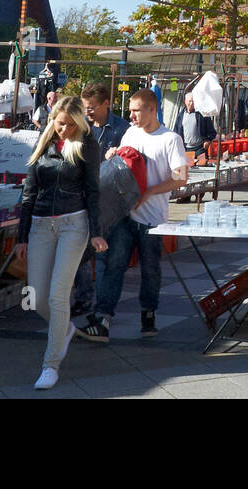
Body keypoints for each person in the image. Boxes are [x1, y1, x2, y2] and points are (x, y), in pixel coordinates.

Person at [78, 89, 187, 342]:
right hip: (124, 215)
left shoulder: (170, 139)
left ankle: (148, 313)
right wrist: (113, 155)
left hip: (152, 218)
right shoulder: (130, 132)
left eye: (136, 110)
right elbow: (125, 166)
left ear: (153, 109)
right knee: (115, 264)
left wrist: (149, 192)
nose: (131, 115)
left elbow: (180, 177)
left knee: (150, 269)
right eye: (130, 111)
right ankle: (103, 319)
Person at [14, 96, 107, 389]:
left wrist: (96, 230)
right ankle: (64, 328)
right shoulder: (42, 145)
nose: (64, 129)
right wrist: (22, 236)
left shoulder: (87, 146)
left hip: (73, 223)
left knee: (58, 295)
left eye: (70, 124)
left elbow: (93, 190)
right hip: (41, 224)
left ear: (79, 123)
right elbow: (28, 193)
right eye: (60, 123)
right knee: (35, 297)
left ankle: (50, 364)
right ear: (52, 119)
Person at [82, 83, 129, 152]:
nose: (86, 113)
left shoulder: (123, 129)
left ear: (106, 103)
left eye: (91, 109)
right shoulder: (81, 126)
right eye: (84, 108)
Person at [175, 91, 218, 165]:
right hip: (186, 149)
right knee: (189, 170)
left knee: (202, 168)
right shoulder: (181, 116)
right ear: (185, 101)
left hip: (200, 149)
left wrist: (208, 140)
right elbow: (176, 132)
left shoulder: (201, 114)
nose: (191, 103)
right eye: (190, 101)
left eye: (193, 101)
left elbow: (212, 131)